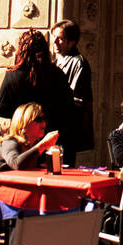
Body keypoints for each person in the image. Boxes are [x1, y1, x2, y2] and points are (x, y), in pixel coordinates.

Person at [0, 30, 75, 157]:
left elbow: (1, 109)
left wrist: (23, 117)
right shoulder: (57, 74)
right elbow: (68, 107)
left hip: (24, 139)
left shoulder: (13, 76)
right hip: (52, 139)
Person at [50, 19, 92, 164]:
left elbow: (77, 100)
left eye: (60, 39)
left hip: (66, 130)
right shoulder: (55, 61)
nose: (54, 42)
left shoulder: (78, 63)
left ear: (72, 42)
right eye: (53, 37)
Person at [0, 102, 60, 175]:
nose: (43, 123)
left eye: (44, 118)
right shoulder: (10, 142)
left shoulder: (34, 143)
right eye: (38, 119)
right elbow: (16, 164)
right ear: (24, 123)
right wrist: (43, 144)